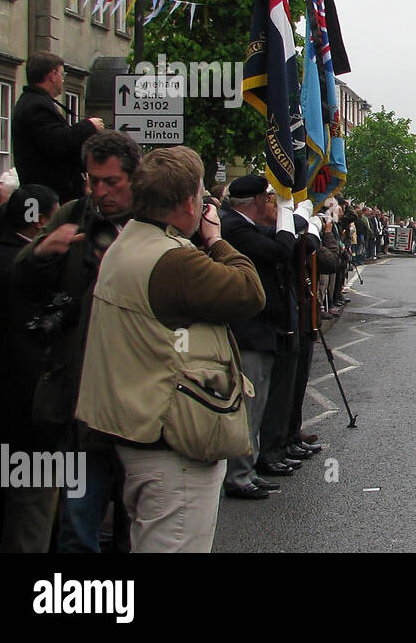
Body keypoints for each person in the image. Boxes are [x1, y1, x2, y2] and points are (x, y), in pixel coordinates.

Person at [75, 146, 265, 552]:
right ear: (186, 203)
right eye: (200, 193)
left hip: (136, 429)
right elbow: (250, 291)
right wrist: (215, 240)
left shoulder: (128, 243)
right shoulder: (174, 261)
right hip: (172, 445)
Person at [12, 131, 141, 552]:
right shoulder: (72, 215)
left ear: (134, 178)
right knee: (77, 523)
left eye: (111, 182)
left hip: (139, 397)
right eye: (93, 180)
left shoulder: (156, 222)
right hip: (79, 392)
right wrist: (43, 251)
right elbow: (20, 282)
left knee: (135, 525)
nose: (100, 192)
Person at [218, 175, 307, 499]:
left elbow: (297, 243)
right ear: (256, 200)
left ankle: (248, 468)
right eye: (269, 198)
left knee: (257, 405)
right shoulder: (235, 228)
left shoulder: (243, 225)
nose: (271, 203)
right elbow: (281, 251)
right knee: (248, 406)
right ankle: (239, 474)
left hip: (262, 327)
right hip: (249, 328)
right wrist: (287, 218)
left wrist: (293, 218)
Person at [0, 184, 61, 551]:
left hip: (8, 394)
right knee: (31, 499)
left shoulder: (1, 255)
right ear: (41, 219)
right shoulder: (18, 265)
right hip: (26, 395)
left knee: (14, 490)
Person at [12, 52, 106, 203]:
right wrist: (88, 126)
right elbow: (57, 142)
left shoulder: (35, 102)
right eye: (62, 74)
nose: (63, 79)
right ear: (52, 75)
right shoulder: (36, 106)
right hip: (48, 196)